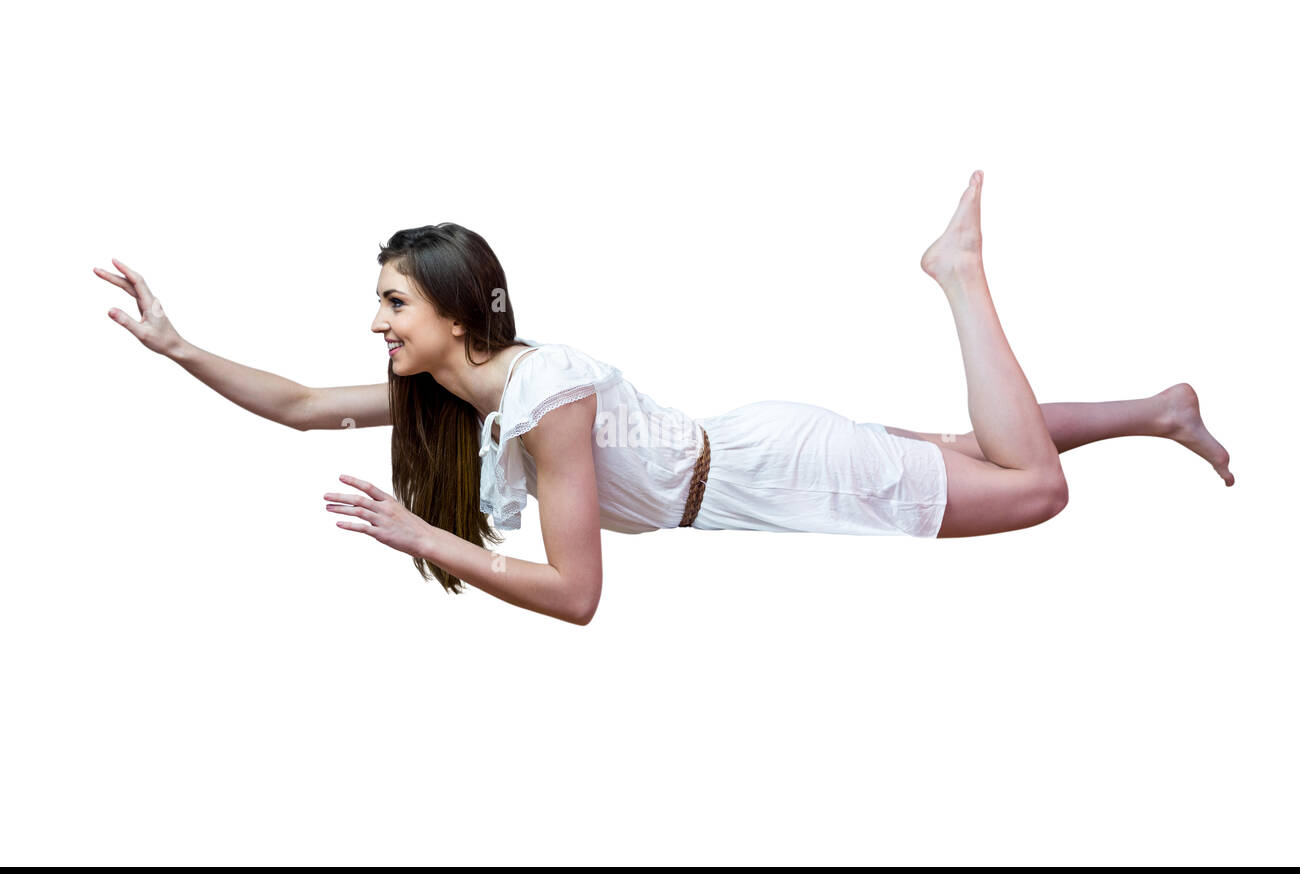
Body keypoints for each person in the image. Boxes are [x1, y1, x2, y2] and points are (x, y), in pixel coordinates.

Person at [94, 171, 1233, 627]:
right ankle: (1154, 407)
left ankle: (957, 275)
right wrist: (177, 344)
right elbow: (295, 404)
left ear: (450, 308)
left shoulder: (538, 403)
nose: (376, 323)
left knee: (1032, 488)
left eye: (393, 302)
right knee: (976, 446)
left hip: (781, 471)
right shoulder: (463, 388)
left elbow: (577, 591)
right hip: (758, 451)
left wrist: (423, 531)